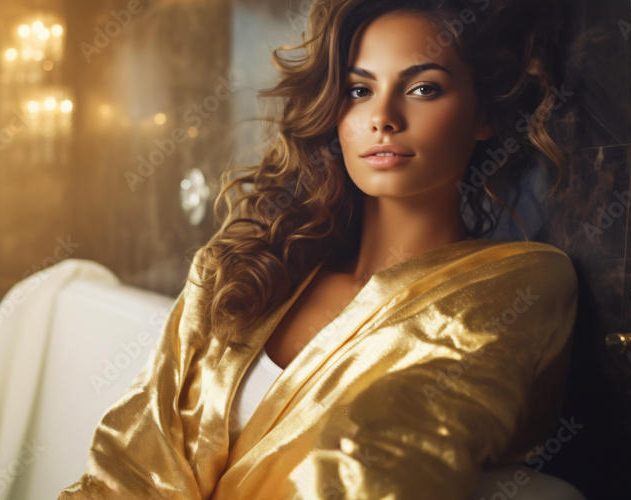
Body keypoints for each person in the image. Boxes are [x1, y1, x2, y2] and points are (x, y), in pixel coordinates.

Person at [59, 0, 576, 498]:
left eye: (422, 88)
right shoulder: (240, 271)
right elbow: (129, 466)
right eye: (358, 90)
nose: (384, 118)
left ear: (483, 116)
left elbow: (388, 456)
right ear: (333, 112)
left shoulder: (522, 282)